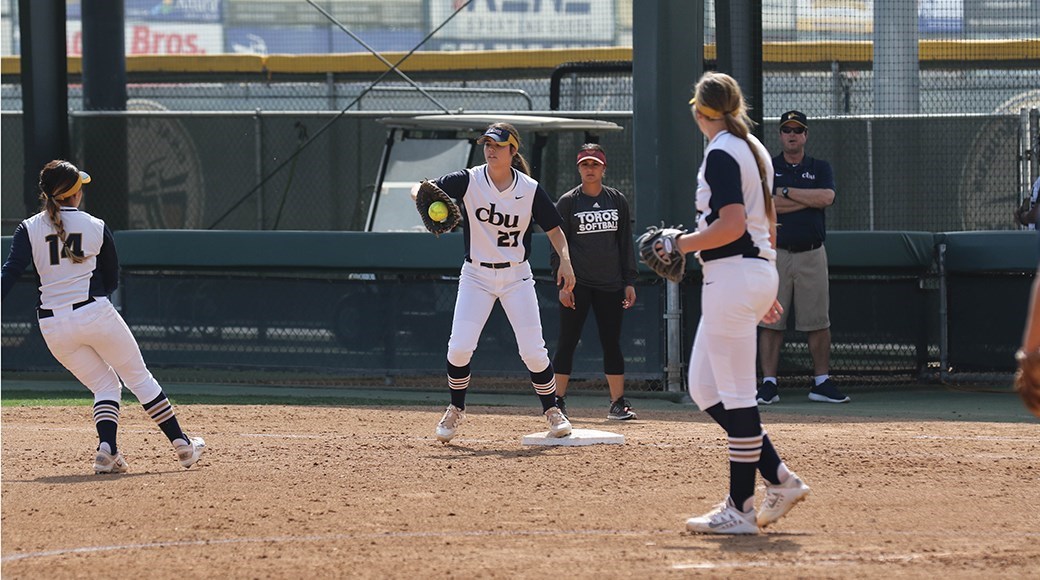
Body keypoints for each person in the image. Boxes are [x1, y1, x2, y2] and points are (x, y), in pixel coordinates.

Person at [665, 72, 810, 534]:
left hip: (734, 275)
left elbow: (730, 225)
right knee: (705, 390)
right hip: (747, 275)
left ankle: (740, 508)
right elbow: (764, 218)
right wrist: (761, 282)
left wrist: (680, 245)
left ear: (699, 111)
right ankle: (780, 478)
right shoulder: (753, 148)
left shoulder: (725, 150)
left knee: (739, 399)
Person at [0, 160, 206, 474]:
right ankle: (182, 446)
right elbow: (111, 279)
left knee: (105, 385)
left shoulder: (27, 228)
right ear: (74, 194)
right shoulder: (95, 225)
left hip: (52, 326)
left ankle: (107, 450)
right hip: (94, 311)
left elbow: (11, 272)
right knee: (138, 378)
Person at [414, 123, 577, 442]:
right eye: (487, 143)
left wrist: (567, 262)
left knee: (533, 351)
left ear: (513, 151)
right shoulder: (470, 179)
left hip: (516, 276)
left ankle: (552, 410)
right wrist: (423, 197)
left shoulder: (529, 189)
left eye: (498, 145)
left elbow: (555, 230)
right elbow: (426, 189)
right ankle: (455, 408)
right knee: (459, 347)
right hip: (476, 275)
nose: (490, 149)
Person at [756, 110, 849, 405]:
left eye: (798, 130)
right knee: (771, 322)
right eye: (787, 130)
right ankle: (768, 384)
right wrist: (804, 199)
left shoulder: (820, 167)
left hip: (812, 253)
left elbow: (827, 198)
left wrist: (786, 193)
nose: (792, 134)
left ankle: (821, 382)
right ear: (780, 135)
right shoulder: (768, 167)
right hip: (776, 254)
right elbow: (766, 205)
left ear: (806, 135)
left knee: (818, 321)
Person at [550, 144, 639, 421]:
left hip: (610, 284)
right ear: (579, 168)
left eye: (595, 164)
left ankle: (617, 403)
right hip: (578, 285)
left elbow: (624, 242)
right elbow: (557, 247)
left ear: (604, 168)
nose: (590, 169)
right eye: (585, 164)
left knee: (611, 342)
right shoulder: (568, 202)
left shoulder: (617, 200)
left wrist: (629, 281)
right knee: (567, 341)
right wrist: (563, 285)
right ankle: (557, 402)